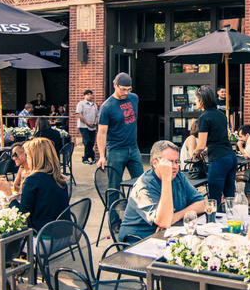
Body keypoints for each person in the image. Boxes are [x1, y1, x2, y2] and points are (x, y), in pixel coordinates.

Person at [118, 140, 206, 243]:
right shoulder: (144, 185)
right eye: (169, 162)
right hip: (139, 240)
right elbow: (164, 221)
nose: (174, 166)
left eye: (176, 162)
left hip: (168, 235)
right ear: (155, 163)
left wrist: (175, 216)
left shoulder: (179, 176)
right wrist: (166, 178)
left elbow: (203, 204)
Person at [0, 137, 69, 233]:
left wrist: (8, 194)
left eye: (27, 155)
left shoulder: (32, 180)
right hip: (65, 233)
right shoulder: (59, 177)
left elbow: (22, 215)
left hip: (43, 237)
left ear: (34, 157)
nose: (26, 159)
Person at [96, 72, 143, 200]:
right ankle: (114, 219)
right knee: (113, 188)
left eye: (128, 90)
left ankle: (140, 215)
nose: (126, 93)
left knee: (142, 184)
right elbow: (101, 133)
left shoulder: (134, 98)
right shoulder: (107, 107)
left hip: (133, 148)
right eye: (123, 89)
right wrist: (101, 156)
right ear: (115, 85)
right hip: (115, 150)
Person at [192, 85, 237, 203]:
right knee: (229, 197)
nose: (195, 102)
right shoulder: (221, 115)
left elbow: (201, 145)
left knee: (214, 199)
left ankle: (213, 221)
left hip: (218, 159)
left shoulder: (203, 118)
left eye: (196, 99)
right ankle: (231, 219)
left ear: (201, 101)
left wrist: (194, 153)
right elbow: (219, 138)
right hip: (231, 157)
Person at [74, 90, 98, 164]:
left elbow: (97, 115)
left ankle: (89, 157)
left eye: (91, 94)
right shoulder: (81, 104)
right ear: (84, 96)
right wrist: (87, 123)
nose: (90, 95)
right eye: (88, 94)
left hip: (92, 126)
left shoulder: (94, 105)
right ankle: (87, 157)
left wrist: (95, 122)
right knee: (87, 141)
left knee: (91, 142)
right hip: (83, 126)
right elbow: (78, 114)